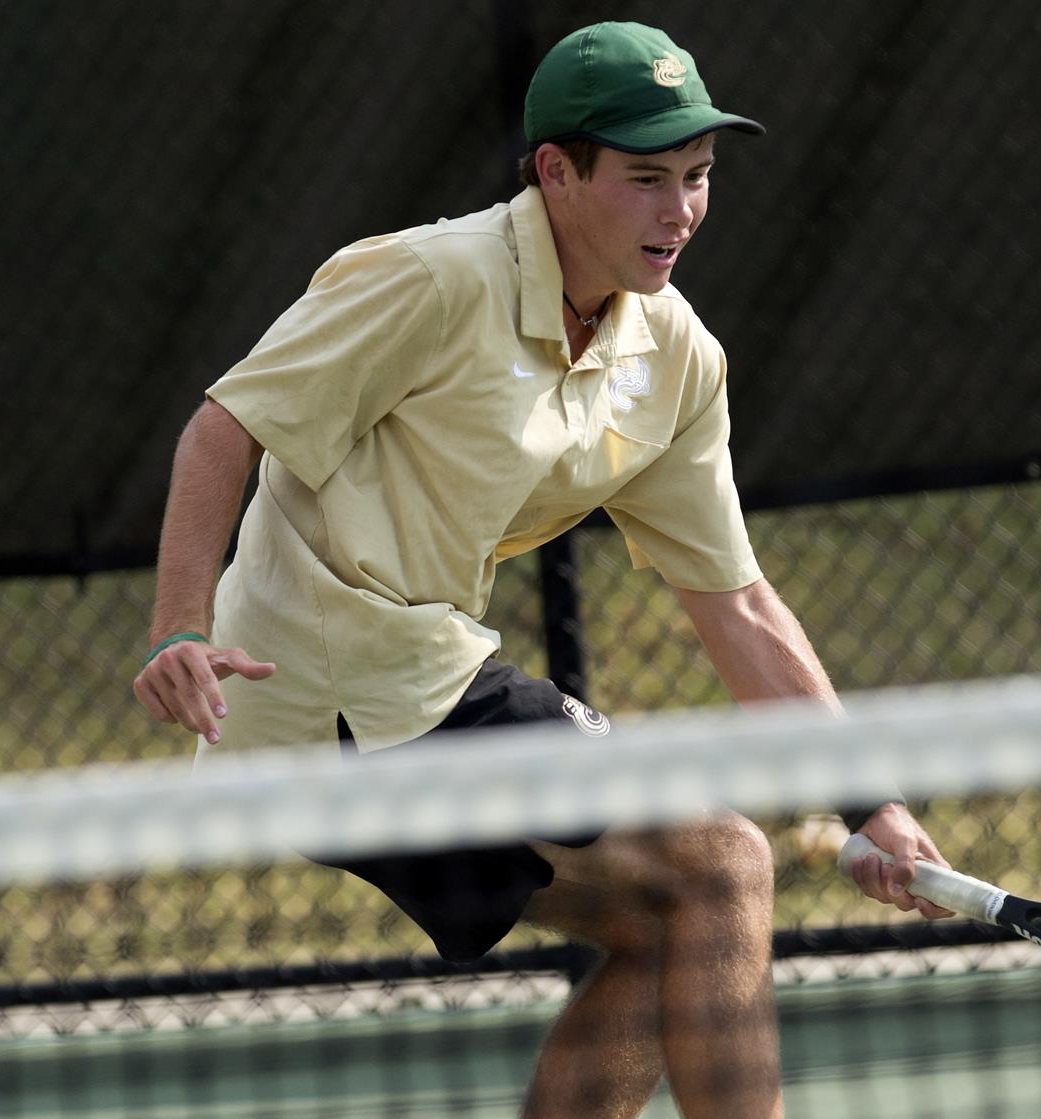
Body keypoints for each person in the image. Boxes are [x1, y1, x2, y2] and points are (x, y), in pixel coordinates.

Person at [133, 21, 951, 1118]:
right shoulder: (429, 281)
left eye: (698, 178)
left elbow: (738, 604)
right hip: (320, 690)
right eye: (646, 179)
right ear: (556, 174)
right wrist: (178, 628)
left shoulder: (672, 358)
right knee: (722, 863)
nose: (679, 212)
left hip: (423, 679)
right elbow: (224, 428)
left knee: (681, 918)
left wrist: (871, 804)